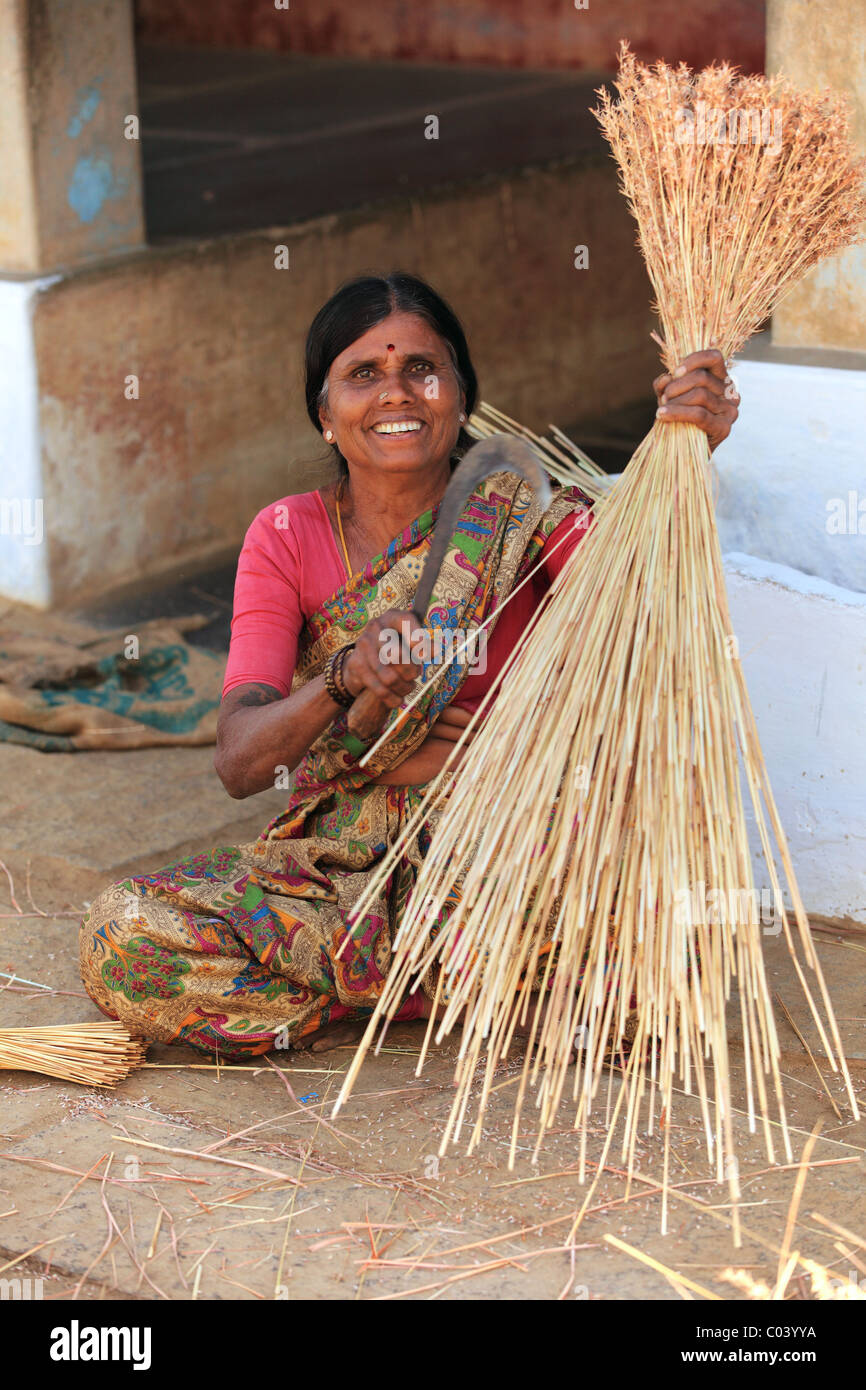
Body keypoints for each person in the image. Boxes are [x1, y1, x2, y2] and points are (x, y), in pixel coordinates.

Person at [79, 272, 738, 1058]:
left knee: (679, 939)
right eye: (364, 374)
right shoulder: (285, 535)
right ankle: (460, 985)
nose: (397, 393)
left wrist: (686, 452)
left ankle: (385, 984)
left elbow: (652, 635)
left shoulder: (532, 517)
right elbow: (241, 760)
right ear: (325, 416)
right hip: (341, 867)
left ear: (459, 397)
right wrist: (342, 678)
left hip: (505, 847)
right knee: (125, 938)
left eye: (422, 370)